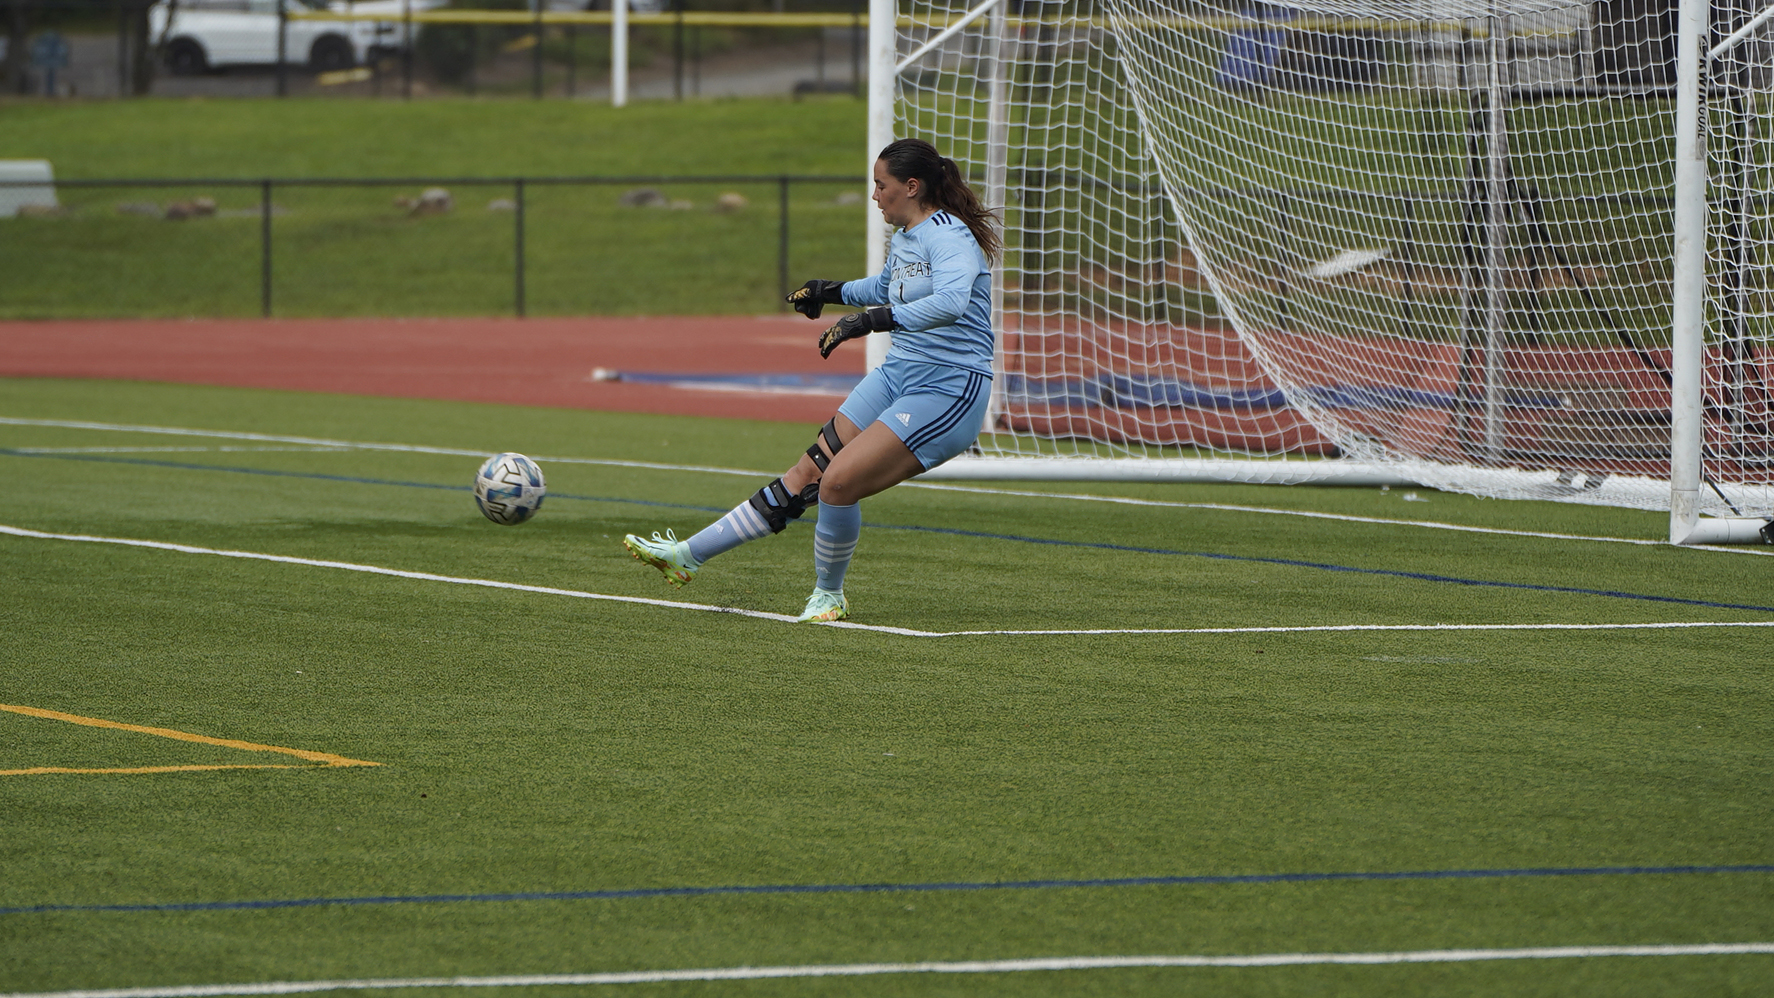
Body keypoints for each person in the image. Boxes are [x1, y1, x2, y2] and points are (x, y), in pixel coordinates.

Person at [622, 137, 1001, 623]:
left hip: (949, 388)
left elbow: (950, 302)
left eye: (880, 186)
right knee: (807, 475)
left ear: (911, 186)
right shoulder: (907, 234)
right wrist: (832, 291)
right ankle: (686, 555)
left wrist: (868, 321)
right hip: (900, 373)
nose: (874, 195)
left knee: (838, 483)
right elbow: (884, 288)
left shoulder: (948, 235)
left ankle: (829, 596)